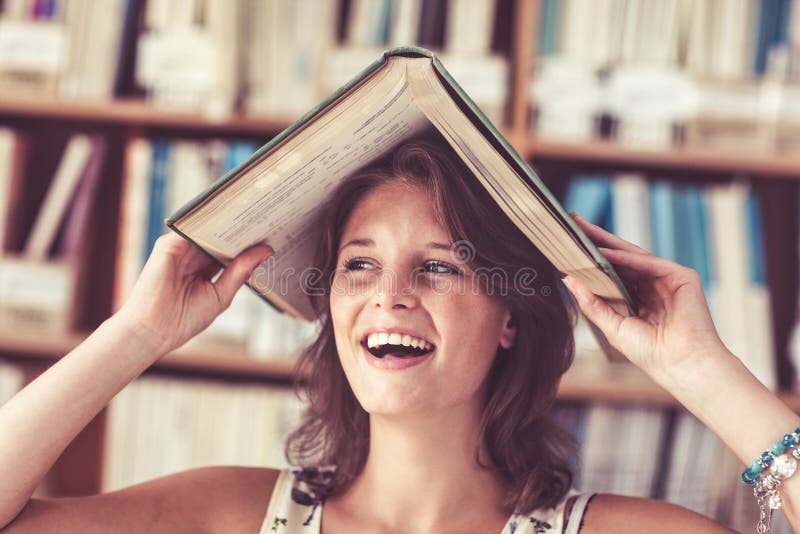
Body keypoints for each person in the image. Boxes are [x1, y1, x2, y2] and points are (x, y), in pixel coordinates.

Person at [0, 140, 797, 534]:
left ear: (511, 315)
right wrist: (137, 332)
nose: (389, 297)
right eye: (357, 265)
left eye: (439, 268)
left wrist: (699, 368)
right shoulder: (232, 515)